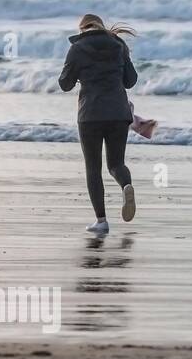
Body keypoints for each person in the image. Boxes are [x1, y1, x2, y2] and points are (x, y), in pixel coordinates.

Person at [58, 13, 139, 235]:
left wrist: (77, 74)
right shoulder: (118, 44)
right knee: (116, 164)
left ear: (82, 29)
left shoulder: (77, 48)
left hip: (90, 114)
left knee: (93, 168)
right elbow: (130, 81)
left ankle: (101, 221)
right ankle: (126, 186)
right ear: (101, 26)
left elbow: (65, 84)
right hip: (118, 112)